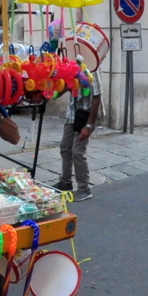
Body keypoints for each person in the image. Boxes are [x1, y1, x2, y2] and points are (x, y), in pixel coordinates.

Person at [54, 58, 102, 200]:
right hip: (72, 114)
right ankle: (66, 182)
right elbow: (67, 87)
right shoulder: (71, 66)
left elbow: (97, 98)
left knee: (78, 152)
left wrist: (89, 126)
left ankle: (84, 188)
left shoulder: (93, 68)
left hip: (85, 115)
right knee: (65, 148)